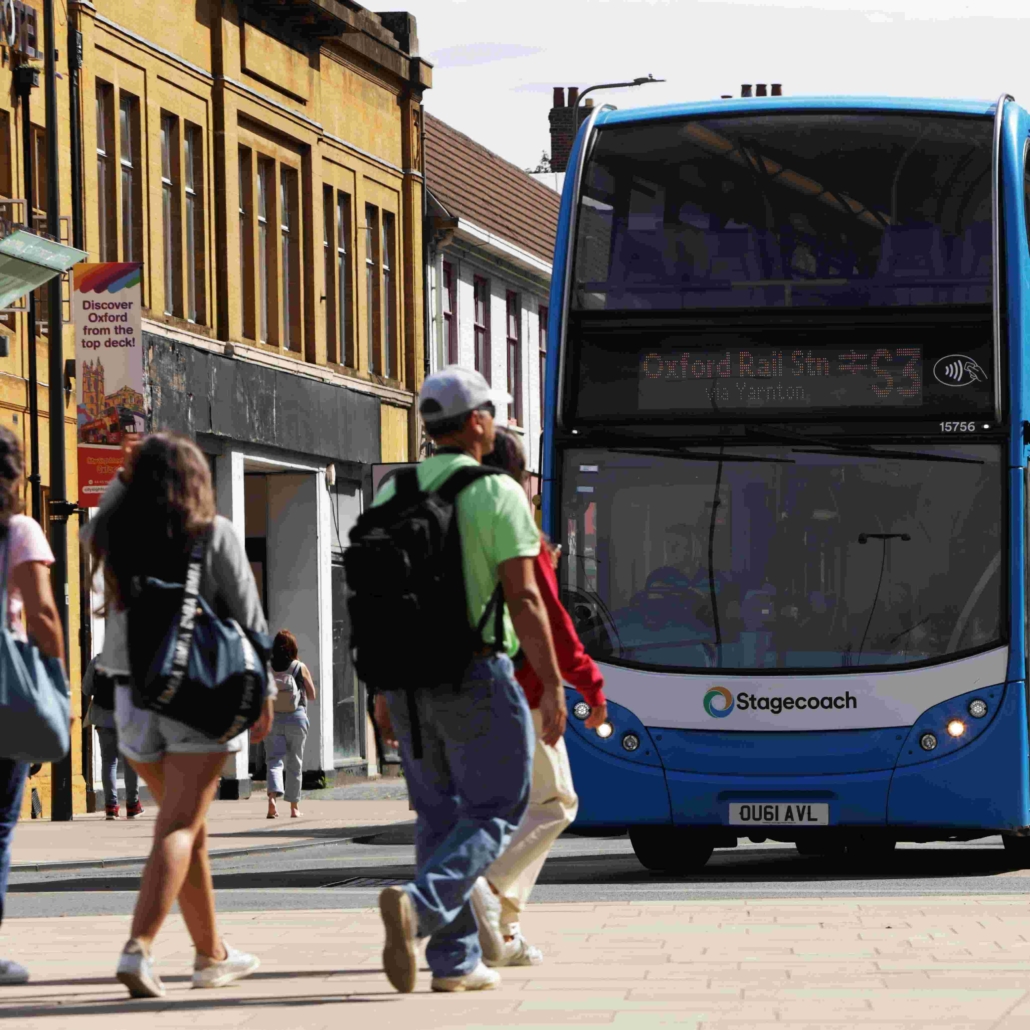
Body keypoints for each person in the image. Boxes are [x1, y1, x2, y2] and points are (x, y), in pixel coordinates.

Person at [372, 366, 565, 994]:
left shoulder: (391, 493)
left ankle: (454, 965)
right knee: (499, 803)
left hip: (403, 678)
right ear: (477, 423)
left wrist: (377, 687)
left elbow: (373, 602)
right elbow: (526, 599)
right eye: (494, 415)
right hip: (476, 670)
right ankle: (421, 907)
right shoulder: (498, 493)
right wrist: (556, 684)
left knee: (437, 813)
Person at [84, 432, 275, 1000]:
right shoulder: (214, 534)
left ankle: (210, 954)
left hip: (131, 697)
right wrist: (261, 694)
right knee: (179, 825)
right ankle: (138, 948)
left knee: (189, 825)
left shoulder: (115, 532)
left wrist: (126, 473)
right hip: (200, 693)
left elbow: (96, 520)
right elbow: (250, 617)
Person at [471, 427, 607, 967]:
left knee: (507, 810)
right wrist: (587, 685)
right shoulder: (518, 532)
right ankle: (480, 886)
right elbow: (549, 618)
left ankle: (502, 931)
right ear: (522, 481)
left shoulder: (460, 525)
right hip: (524, 690)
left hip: (463, 689)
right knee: (556, 804)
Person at [0, 426, 64, 986]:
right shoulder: (17, 531)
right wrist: (57, 687)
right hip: (5, 693)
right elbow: (42, 615)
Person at [83, 656, 143, 820]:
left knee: (108, 762)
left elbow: (86, 689)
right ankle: (133, 805)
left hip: (103, 717)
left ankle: (111, 807)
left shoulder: (98, 660)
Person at [265, 629, 316, 820]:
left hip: (274, 718)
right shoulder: (298, 667)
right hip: (296, 718)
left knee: (274, 761)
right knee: (295, 762)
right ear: (293, 647)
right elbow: (312, 695)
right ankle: (294, 808)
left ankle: (272, 802)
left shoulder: (268, 667)